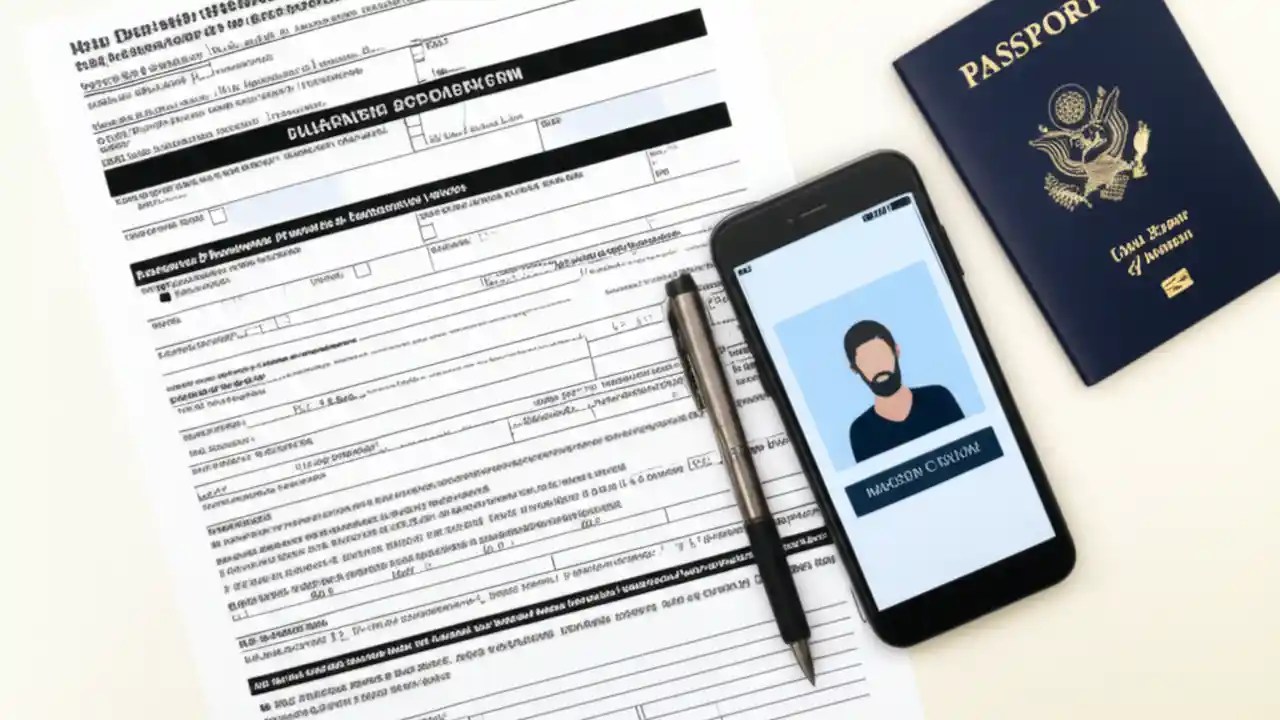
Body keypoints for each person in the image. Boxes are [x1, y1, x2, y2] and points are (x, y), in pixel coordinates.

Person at [845, 320, 963, 462]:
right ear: (854, 369)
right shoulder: (862, 432)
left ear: (896, 351)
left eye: (881, 355)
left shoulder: (938, 399)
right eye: (867, 361)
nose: (878, 366)